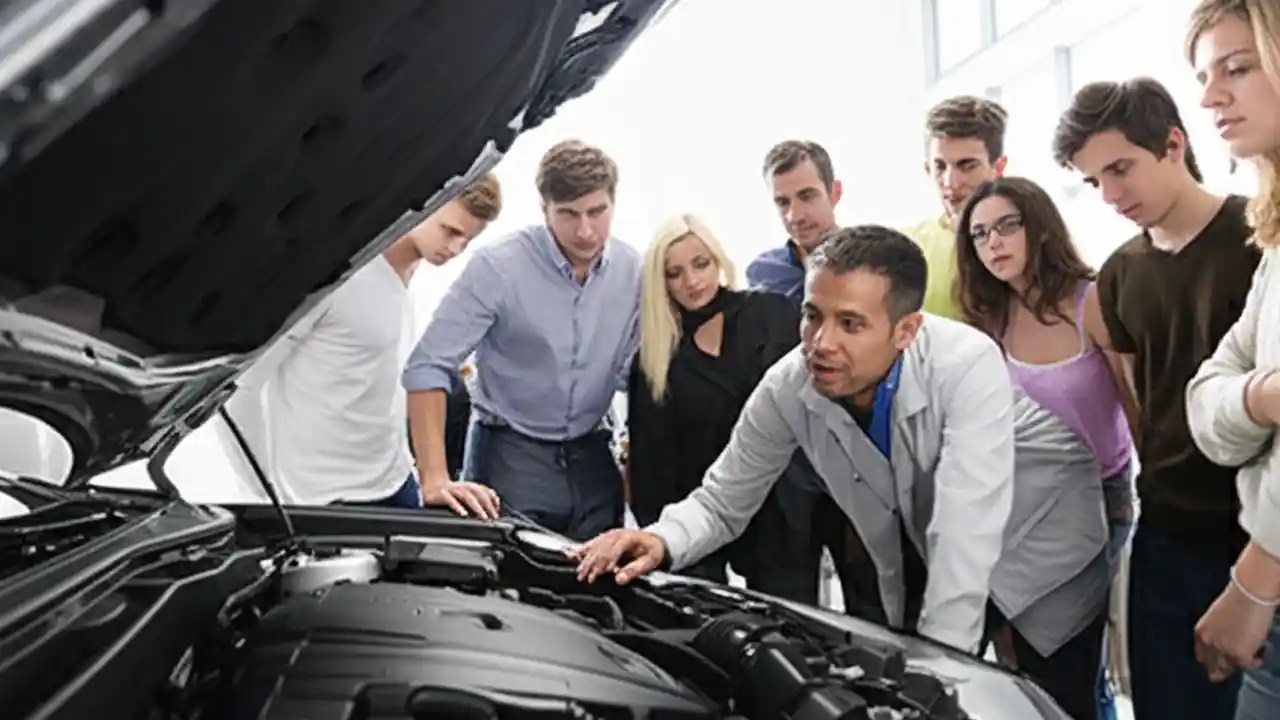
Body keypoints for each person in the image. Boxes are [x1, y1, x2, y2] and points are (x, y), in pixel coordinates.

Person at [574, 225, 1016, 654]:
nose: (821, 342)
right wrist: (660, 539)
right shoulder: (790, 384)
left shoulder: (966, 366)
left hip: (1022, 563)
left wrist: (941, 672)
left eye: (850, 323)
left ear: (906, 331)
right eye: (812, 316)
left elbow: (964, 536)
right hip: (915, 562)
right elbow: (723, 501)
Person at [1053, 76, 1261, 719]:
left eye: (1121, 169)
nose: (1111, 195)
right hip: (1167, 533)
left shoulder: (1261, 240)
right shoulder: (1117, 274)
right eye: (1093, 182)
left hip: (1258, 533)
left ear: (1173, 144)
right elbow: (1141, 408)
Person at [955, 177, 1138, 718]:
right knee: (1017, 664)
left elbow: (1136, 408)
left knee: (1070, 662)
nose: (994, 243)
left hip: (1100, 501)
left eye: (1007, 225)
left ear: (1038, 225)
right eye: (980, 234)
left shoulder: (1092, 299)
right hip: (1018, 506)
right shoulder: (990, 319)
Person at [217, 173, 502, 508]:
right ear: (425, 200)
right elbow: (236, 391)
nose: (456, 249)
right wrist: (265, 496)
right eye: (451, 231)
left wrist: (430, 475)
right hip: (321, 499)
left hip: (394, 482)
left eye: (468, 239)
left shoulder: (412, 279)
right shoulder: (330, 278)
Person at [402, 139, 641, 540]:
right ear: (543, 209)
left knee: (601, 595)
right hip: (509, 456)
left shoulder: (635, 271)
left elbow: (635, 375)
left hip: (594, 459)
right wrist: (435, 479)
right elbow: (427, 365)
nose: (585, 231)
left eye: (597, 212)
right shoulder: (497, 268)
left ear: (613, 204)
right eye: (568, 214)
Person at [1186, 3, 1280, 718]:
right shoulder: (1273, 246)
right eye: (1204, 76)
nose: (1211, 96)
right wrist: (1259, 399)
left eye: (1238, 68)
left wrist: (1256, 579)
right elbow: (1205, 402)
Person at [627, 212, 799, 584]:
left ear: (718, 259)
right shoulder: (655, 360)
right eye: (674, 273)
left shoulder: (772, 314)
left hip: (783, 512)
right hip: (699, 521)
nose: (691, 281)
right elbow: (651, 465)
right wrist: (661, 541)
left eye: (700, 264)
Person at [903, 95, 1009, 321]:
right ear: (927, 170)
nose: (951, 182)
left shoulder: (1033, 236)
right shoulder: (907, 248)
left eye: (967, 165)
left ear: (998, 167)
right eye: (940, 167)